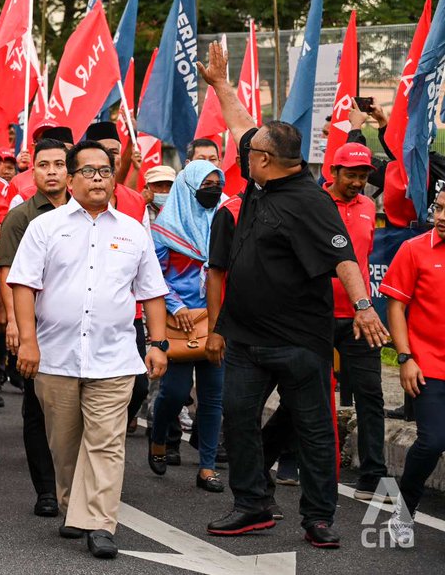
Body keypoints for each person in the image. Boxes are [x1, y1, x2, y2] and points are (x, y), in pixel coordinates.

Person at [197, 43, 386, 548]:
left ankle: (319, 516)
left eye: (252, 153)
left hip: (300, 341)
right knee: (239, 420)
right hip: (245, 339)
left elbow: (343, 257)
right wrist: (221, 86)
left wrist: (364, 306)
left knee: (314, 429)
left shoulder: (311, 202)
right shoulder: (262, 183)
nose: (244, 153)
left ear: (266, 161)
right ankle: (253, 505)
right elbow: (243, 128)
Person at [8, 140, 169, 560]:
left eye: (104, 171)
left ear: (114, 177)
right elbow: (23, 284)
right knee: (63, 444)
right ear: (72, 178)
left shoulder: (133, 230)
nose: (98, 178)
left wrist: (158, 343)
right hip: (55, 356)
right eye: (89, 171)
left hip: (114, 358)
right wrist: (28, 340)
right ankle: (71, 506)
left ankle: (99, 523)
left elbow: (151, 293)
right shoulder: (46, 226)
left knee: (106, 443)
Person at [0, 139, 69, 519]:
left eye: (60, 164)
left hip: (80, 329)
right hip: (36, 329)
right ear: (33, 171)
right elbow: (8, 274)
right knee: (37, 409)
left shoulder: (90, 211)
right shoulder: (21, 216)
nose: (53, 171)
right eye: (44, 165)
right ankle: (45, 490)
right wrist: (15, 323)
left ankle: (76, 482)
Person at [148, 160, 226, 493]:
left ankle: (207, 467)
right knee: (176, 392)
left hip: (216, 319)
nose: (213, 191)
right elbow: (153, 275)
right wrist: (176, 304)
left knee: (212, 398)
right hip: (177, 321)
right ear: (188, 189)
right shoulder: (165, 230)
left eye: (216, 184)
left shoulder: (222, 224)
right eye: (205, 185)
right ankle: (159, 436)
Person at [381, 189, 445, 546]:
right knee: (433, 440)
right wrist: (405, 357)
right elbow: (395, 307)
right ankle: (404, 510)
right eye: (439, 208)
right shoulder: (414, 249)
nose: (442, 216)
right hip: (427, 365)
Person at [324, 142, 387, 499]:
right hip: (315, 315)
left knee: (370, 393)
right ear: (334, 172)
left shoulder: (367, 205)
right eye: (350, 175)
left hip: (360, 317)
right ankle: (288, 461)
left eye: (362, 176)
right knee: (304, 393)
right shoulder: (316, 204)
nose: (357, 183)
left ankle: (372, 474)